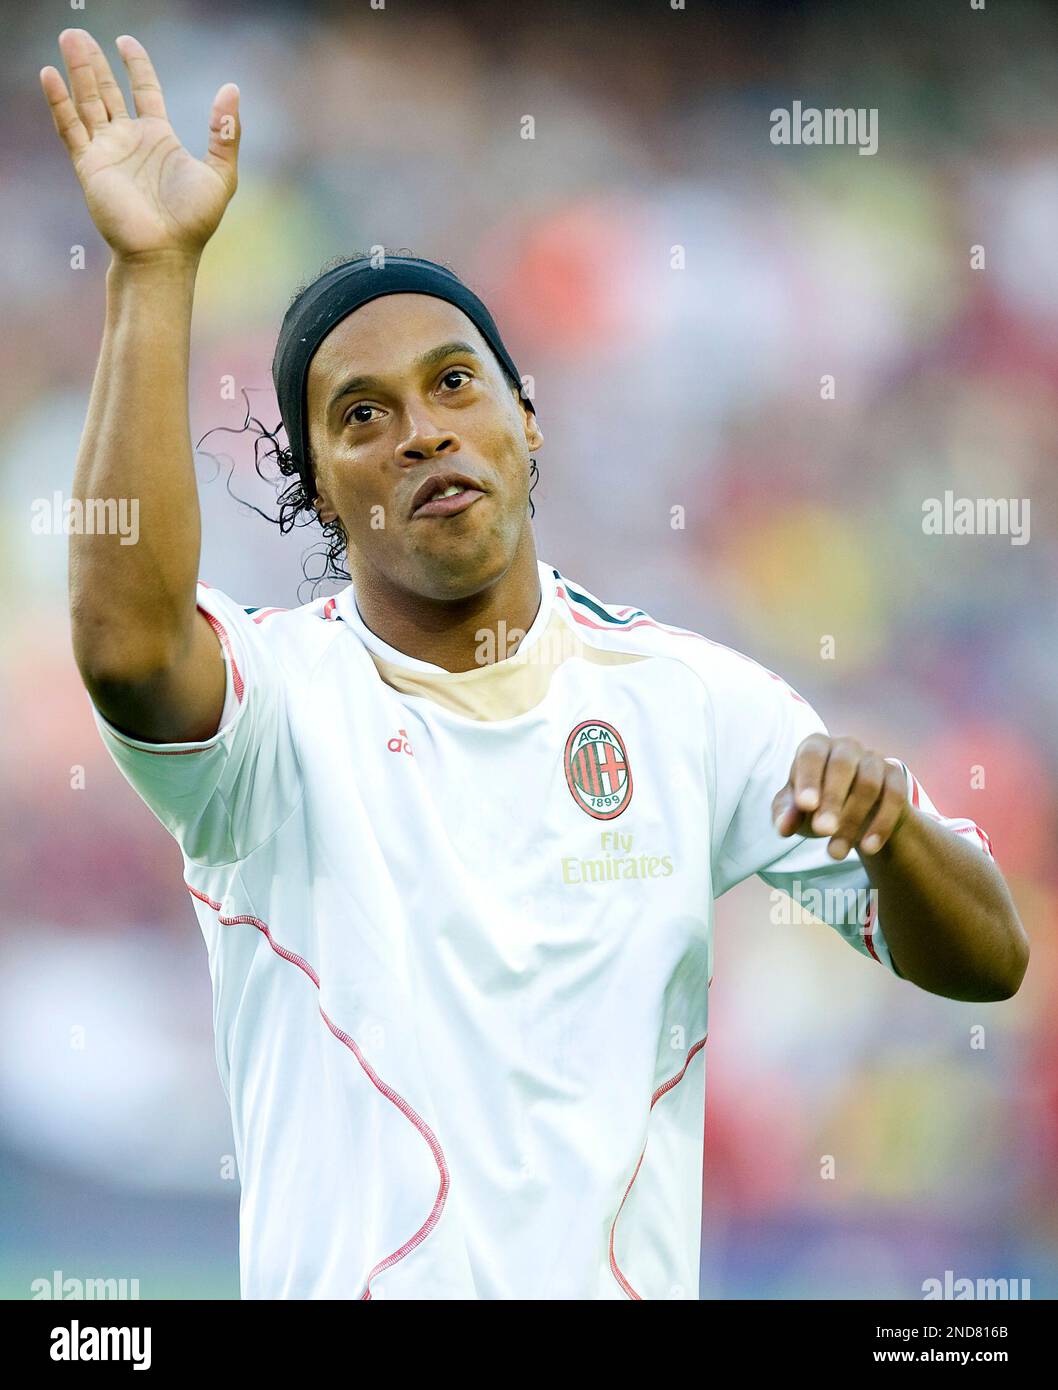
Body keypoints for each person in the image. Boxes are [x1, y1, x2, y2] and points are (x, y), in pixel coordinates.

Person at [41, 28, 1028, 1300]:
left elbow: (984, 960)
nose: (423, 432)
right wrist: (152, 271)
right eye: (362, 415)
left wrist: (891, 834)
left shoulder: (690, 705)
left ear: (526, 420)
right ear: (321, 494)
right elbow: (125, 649)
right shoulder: (277, 712)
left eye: (456, 383)